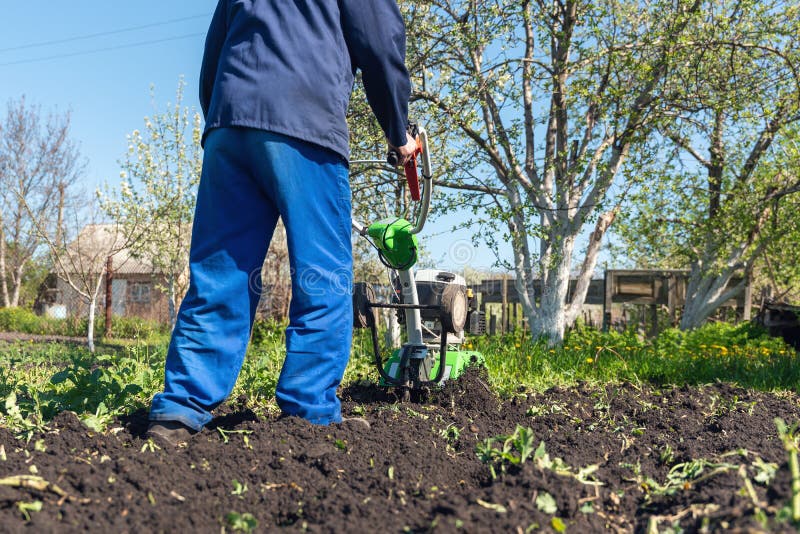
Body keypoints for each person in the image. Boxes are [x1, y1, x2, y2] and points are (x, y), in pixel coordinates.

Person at [146, 0, 417, 447]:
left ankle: (180, 407)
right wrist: (399, 131)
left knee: (220, 274)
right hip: (305, 120)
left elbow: (213, 56)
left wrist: (229, 120)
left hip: (230, 122)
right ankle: (308, 410)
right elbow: (379, 40)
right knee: (322, 274)